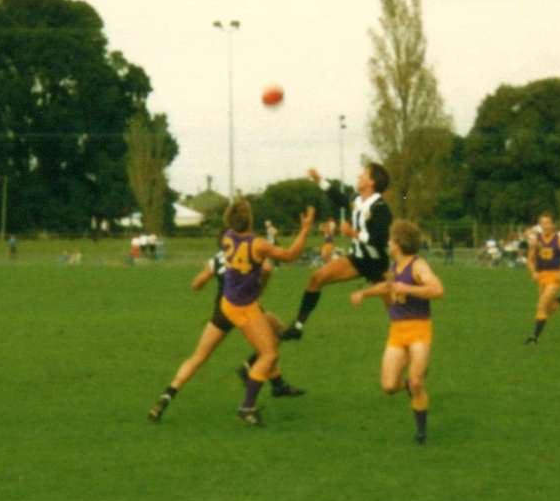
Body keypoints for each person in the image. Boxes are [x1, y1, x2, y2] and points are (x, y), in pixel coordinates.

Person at [148, 226, 307, 423]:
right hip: (245, 309)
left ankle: (165, 399)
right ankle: (254, 374)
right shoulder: (248, 250)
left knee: (198, 357)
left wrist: (200, 281)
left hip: (222, 312)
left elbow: (197, 284)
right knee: (275, 338)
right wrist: (261, 282)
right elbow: (265, 271)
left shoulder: (217, 258)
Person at [193, 200, 312, 426]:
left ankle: (268, 379)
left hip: (230, 301)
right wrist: (305, 229)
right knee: (269, 354)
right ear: (250, 219)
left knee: (274, 335)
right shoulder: (258, 244)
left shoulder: (227, 236)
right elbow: (290, 255)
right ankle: (247, 406)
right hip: (243, 307)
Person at [349, 219, 443, 444]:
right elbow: (388, 287)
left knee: (417, 381)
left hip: (419, 328)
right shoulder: (394, 267)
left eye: (390, 240)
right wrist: (364, 293)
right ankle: (410, 385)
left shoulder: (418, 265)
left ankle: (421, 433)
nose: (388, 243)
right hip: (397, 332)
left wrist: (408, 288)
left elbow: (438, 289)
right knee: (389, 386)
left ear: (399, 242)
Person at [279, 162, 393, 342]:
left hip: (378, 265)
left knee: (395, 310)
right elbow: (338, 196)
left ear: (371, 182)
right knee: (317, 277)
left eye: (364, 174)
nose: (359, 176)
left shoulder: (380, 208)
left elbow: (381, 240)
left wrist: (352, 233)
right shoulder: (357, 199)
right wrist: (319, 180)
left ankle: (406, 340)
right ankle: (298, 326)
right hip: (357, 260)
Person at [523, 212, 560, 344]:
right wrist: (533, 272)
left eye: (547, 223)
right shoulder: (536, 241)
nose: (545, 226)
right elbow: (530, 259)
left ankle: (534, 337)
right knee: (548, 309)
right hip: (541, 277)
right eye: (542, 223)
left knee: (541, 305)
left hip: (554, 277)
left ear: (553, 225)